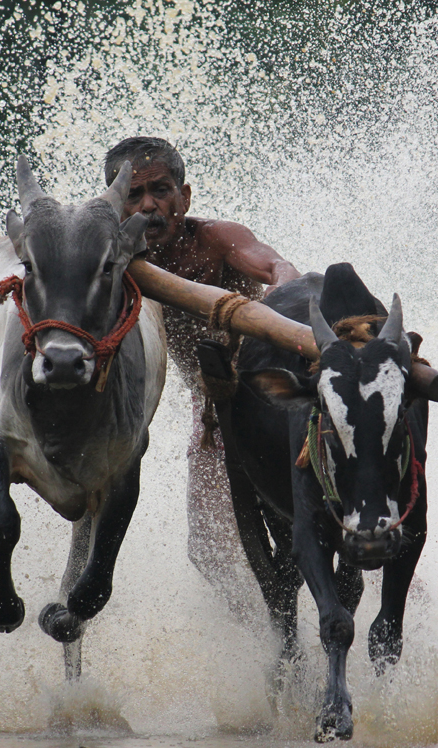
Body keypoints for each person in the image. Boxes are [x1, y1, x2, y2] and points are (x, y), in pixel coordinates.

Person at [102, 136, 299, 609]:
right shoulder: (110, 262)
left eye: (161, 190)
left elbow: (279, 268)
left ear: (184, 197)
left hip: (272, 396)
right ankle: (264, 631)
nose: (148, 206)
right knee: (209, 552)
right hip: (212, 412)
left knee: (321, 521)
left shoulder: (215, 239)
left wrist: (277, 303)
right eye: (133, 194)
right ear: (114, 207)